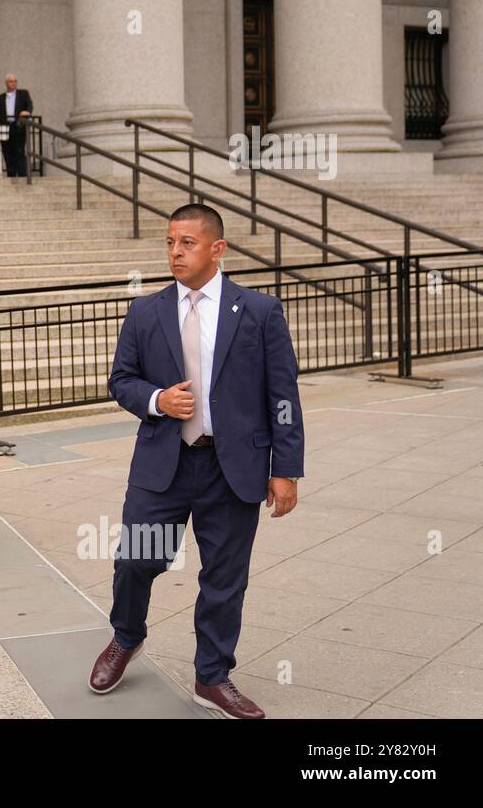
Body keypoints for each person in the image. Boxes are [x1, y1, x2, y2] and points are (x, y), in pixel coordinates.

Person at [89, 204, 304, 719]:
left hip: (233, 469)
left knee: (225, 578)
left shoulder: (258, 311)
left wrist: (285, 468)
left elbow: (283, 395)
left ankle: (212, 676)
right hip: (163, 465)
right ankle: (126, 637)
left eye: (186, 242)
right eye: (169, 242)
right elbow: (121, 381)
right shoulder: (146, 312)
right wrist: (157, 399)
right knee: (136, 559)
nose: (175, 252)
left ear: (217, 249)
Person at [0, 74, 33, 178]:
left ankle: (22, 176)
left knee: (19, 151)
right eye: (10, 81)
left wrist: (27, 112)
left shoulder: (23, 94)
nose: (13, 83)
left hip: (18, 126)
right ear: (6, 83)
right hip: (4, 127)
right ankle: (11, 175)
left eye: (15, 81)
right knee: (7, 152)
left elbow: (29, 104)